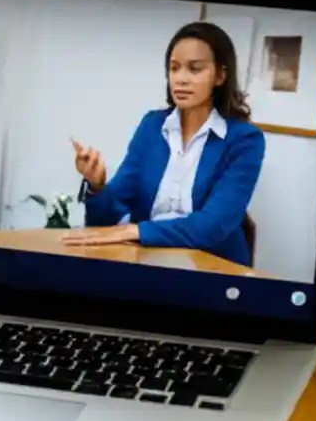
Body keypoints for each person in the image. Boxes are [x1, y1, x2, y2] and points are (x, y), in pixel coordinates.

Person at [61, 22, 265, 266]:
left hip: (214, 267)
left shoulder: (245, 140)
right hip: (148, 260)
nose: (181, 79)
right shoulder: (152, 126)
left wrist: (137, 231)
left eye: (194, 69)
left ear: (220, 75)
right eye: (174, 68)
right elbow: (104, 221)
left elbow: (213, 225)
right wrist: (97, 186)